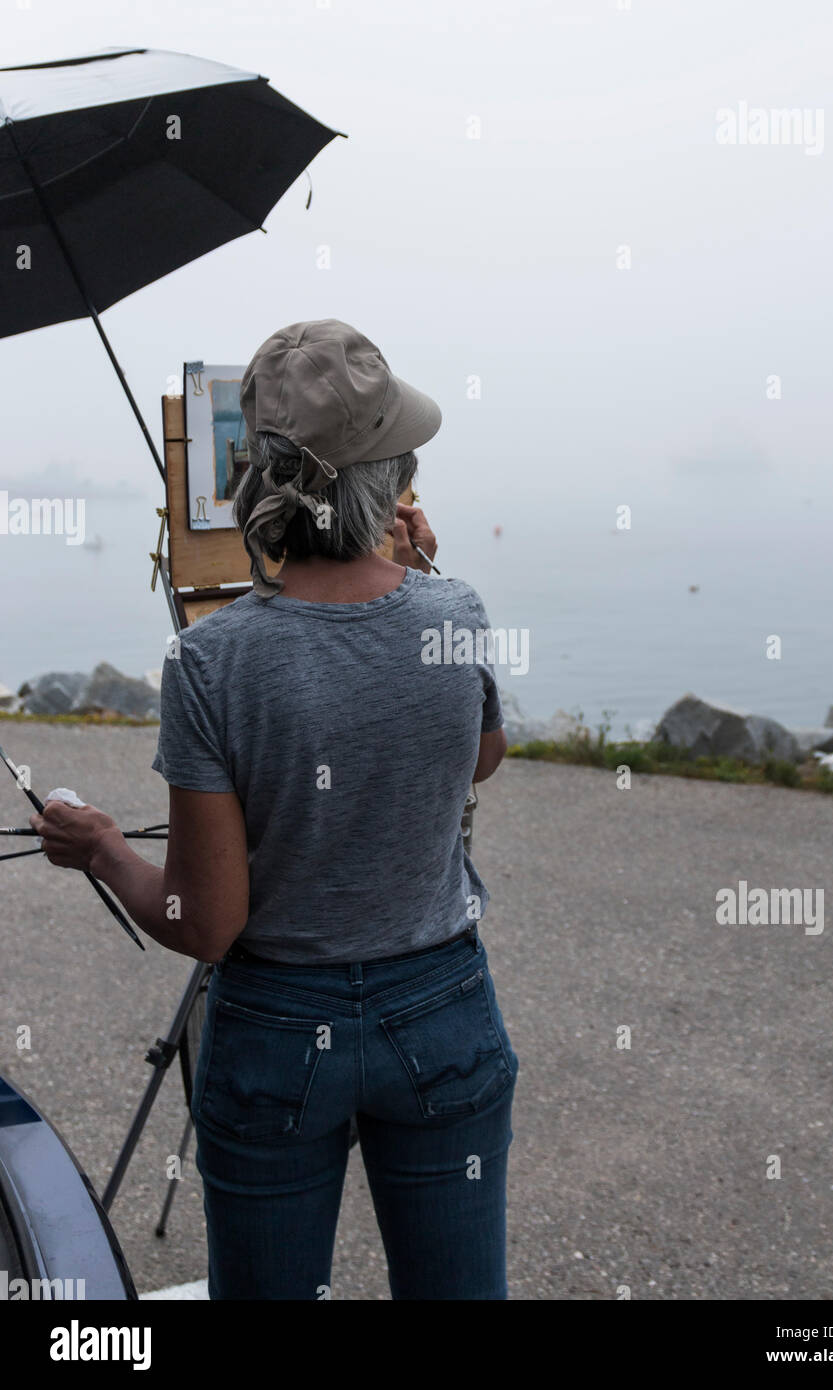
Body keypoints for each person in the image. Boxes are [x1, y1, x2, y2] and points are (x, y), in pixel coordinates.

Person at [29, 319, 518, 1300]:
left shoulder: (214, 662)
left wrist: (105, 849)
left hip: (276, 1034)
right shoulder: (453, 610)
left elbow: (205, 921)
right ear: (389, 482)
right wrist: (420, 579)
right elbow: (481, 756)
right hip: (444, 1011)